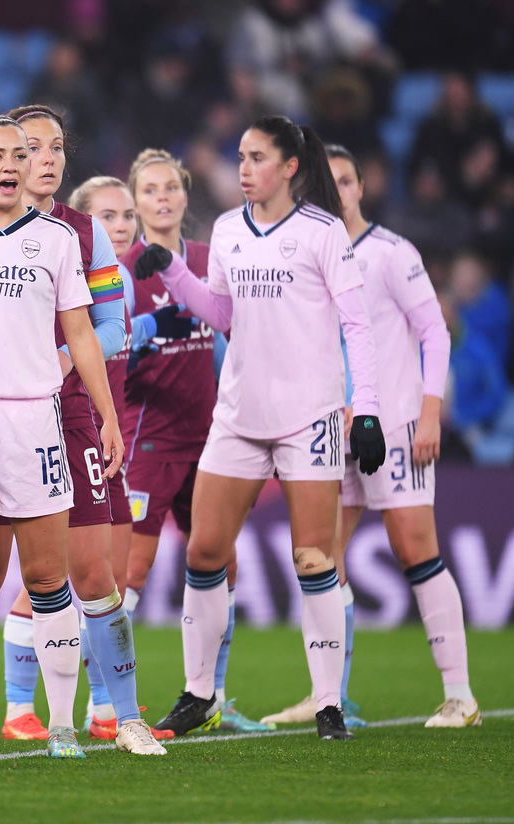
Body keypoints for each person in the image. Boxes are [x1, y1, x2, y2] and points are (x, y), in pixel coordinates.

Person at [134, 115, 386, 741]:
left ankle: (328, 703)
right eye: (239, 157)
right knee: (204, 551)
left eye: (255, 158)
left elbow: (358, 325)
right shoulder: (226, 230)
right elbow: (223, 314)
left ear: (290, 167)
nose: (242, 168)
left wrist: (370, 408)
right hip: (240, 415)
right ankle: (198, 694)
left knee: (313, 557)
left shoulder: (324, 233)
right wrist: (172, 272)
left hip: (310, 419)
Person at [0, 106, 163, 757]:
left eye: (56, 147)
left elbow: (112, 328)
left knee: (93, 573)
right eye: (31, 147)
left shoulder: (81, 233)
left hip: (65, 417)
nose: (45, 158)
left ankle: (124, 718)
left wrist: (60, 370)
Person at [262, 145, 479, 730]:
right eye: (325, 184)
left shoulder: (390, 253)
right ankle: (327, 694)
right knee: (321, 557)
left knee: (416, 551)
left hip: (397, 425)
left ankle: (460, 695)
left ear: (361, 188)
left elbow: (435, 332)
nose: (337, 192)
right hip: (333, 426)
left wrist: (431, 412)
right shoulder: (304, 253)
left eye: (346, 181)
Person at [119, 150, 271, 733]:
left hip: (211, 437)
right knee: (131, 571)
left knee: (222, 567)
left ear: (185, 196)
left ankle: (215, 699)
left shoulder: (212, 260)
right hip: (148, 439)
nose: (162, 198)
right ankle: (109, 705)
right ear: (135, 202)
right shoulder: (125, 269)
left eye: (171, 188)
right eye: (150, 189)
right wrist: (147, 336)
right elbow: (107, 358)